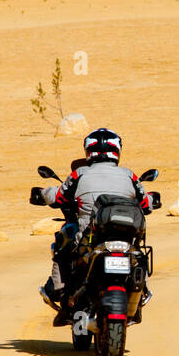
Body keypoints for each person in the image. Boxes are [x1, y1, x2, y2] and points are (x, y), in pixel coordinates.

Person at [31, 127, 156, 324]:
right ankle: (142, 292)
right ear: (117, 151)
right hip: (125, 244)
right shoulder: (129, 175)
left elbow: (59, 196)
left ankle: (58, 292)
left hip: (89, 241)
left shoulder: (80, 174)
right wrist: (153, 199)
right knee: (139, 255)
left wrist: (42, 194)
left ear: (88, 152)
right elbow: (146, 203)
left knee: (62, 248)